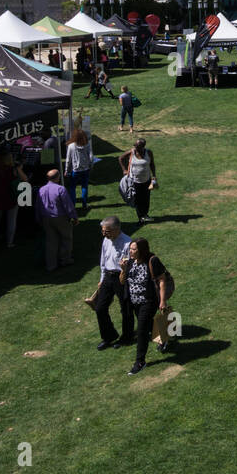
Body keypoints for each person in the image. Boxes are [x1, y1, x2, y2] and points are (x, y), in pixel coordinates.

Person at [119, 237, 169, 376]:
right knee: (147, 325)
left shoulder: (152, 261)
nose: (131, 251)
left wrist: (163, 301)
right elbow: (123, 282)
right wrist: (123, 269)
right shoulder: (129, 262)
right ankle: (164, 338)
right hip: (134, 302)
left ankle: (140, 361)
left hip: (148, 301)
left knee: (141, 331)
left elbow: (162, 280)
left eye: (134, 249)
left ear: (141, 250)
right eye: (130, 249)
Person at [94, 216, 134, 350]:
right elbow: (103, 261)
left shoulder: (127, 243)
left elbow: (130, 266)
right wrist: (101, 279)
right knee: (100, 307)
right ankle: (108, 336)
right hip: (108, 277)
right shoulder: (106, 240)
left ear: (116, 229)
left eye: (107, 231)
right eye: (103, 231)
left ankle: (127, 337)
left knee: (126, 308)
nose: (104, 234)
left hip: (121, 277)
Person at [36, 169, 78, 271]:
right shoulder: (61, 189)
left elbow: (38, 206)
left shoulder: (41, 190)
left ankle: (51, 265)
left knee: (51, 242)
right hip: (60, 218)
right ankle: (65, 259)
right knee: (66, 238)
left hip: (46, 218)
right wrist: (74, 217)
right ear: (58, 177)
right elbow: (67, 205)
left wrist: (39, 219)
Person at [0, 152, 27, 247]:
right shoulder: (14, 170)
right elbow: (25, 179)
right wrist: (19, 169)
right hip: (11, 199)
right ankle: (9, 242)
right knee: (11, 222)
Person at [119, 139, 157, 224]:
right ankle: (140, 218)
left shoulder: (149, 152)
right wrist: (124, 169)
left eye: (137, 146)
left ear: (143, 147)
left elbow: (152, 164)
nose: (135, 147)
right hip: (135, 182)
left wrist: (154, 176)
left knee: (146, 199)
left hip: (146, 181)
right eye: (135, 145)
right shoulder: (132, 152)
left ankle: (145, 214)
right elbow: (121, 158)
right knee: (138, 200)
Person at [65, 129, 93, 209]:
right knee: (84, 187)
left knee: (72, 188)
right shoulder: (87, 145)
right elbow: (91, 157)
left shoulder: (71, 146)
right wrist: (91, 166)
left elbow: (68, 160)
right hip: (85, 170)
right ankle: (84, 204)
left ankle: (73, 205)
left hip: (75, 170)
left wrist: (66, 170)